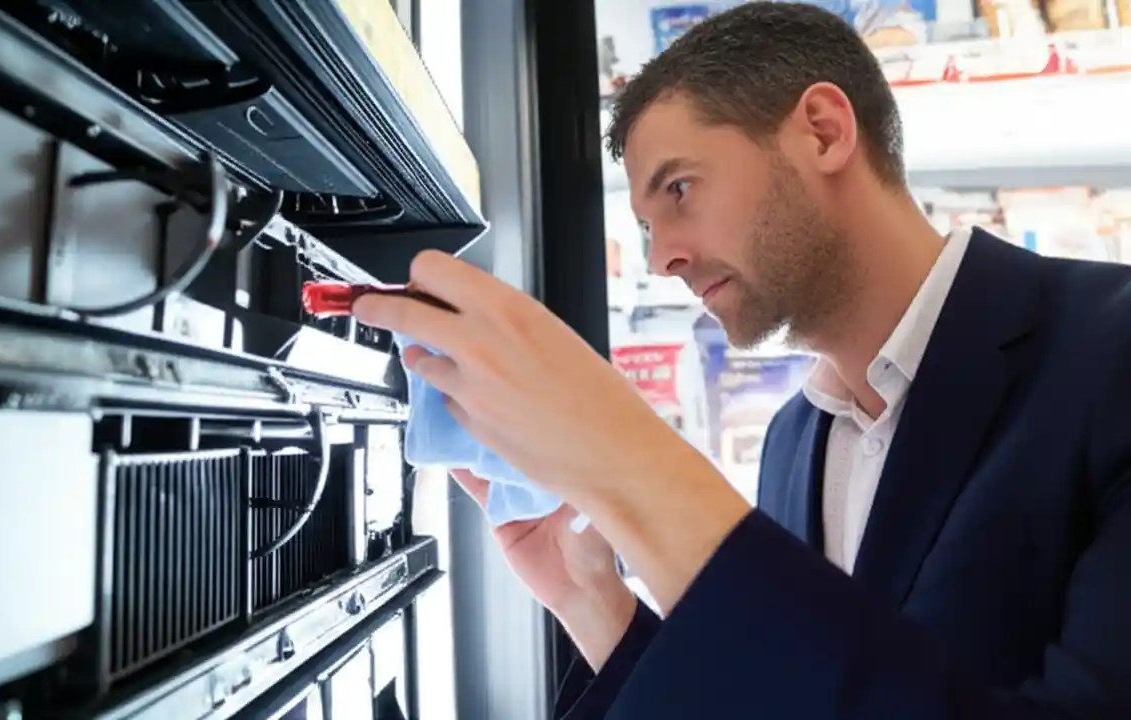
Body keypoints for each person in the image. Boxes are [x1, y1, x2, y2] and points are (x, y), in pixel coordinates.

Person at [353, 3, 1131, 718]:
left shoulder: (1108, 351)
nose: (663, 258)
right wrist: (592, 601)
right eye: (646, 226)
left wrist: (634, 466)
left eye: (680, 190)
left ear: (823, 132)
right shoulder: (795, 441)